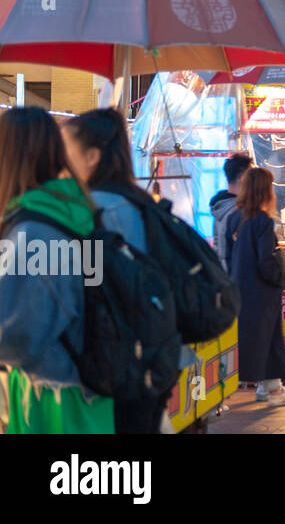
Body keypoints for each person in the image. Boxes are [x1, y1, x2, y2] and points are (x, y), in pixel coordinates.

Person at [63, 108, 188, 434]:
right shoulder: (141, 203)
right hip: (157, 355)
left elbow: (88, 288)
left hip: (120, 362)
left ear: (91, 156)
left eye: (68, 150)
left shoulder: (96, 212)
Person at [0, 107, 114, 433]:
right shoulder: (80, 213)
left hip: (52, 401)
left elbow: (14, 335)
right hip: (93, 396)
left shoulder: (33, 231)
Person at [230, 167, 285, 406]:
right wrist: (278, 278)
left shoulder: (241, 218)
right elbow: (265, 259)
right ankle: (273, 391)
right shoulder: (262, 221)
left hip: (244, 289)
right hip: (261, 291)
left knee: (263, 339)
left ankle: (268, 387)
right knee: (267, 339)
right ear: (265, 191)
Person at [209, 152, 252, 272]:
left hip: (224, 273)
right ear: (242, 178)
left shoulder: (219, 205)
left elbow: (218, 244)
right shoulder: (237, 210)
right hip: (237, 275)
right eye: (251, 176)